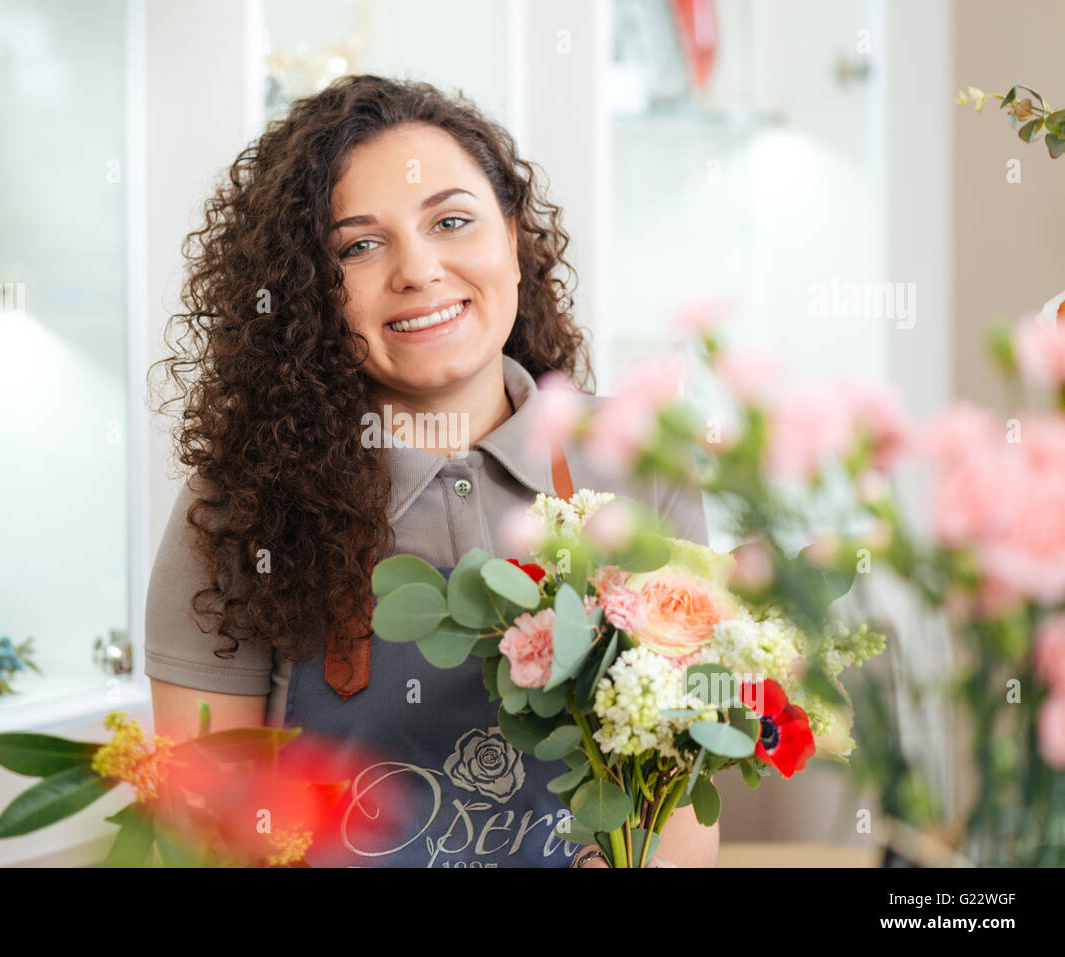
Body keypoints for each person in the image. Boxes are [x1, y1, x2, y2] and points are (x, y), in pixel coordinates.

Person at [145, 74, 719, 868]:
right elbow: (202, 835)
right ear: (313, 290)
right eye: (360, 245)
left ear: (511, 240)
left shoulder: (639, 456)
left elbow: (681, 803)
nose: (417, 270)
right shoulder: (236, 510)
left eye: (451, 220)